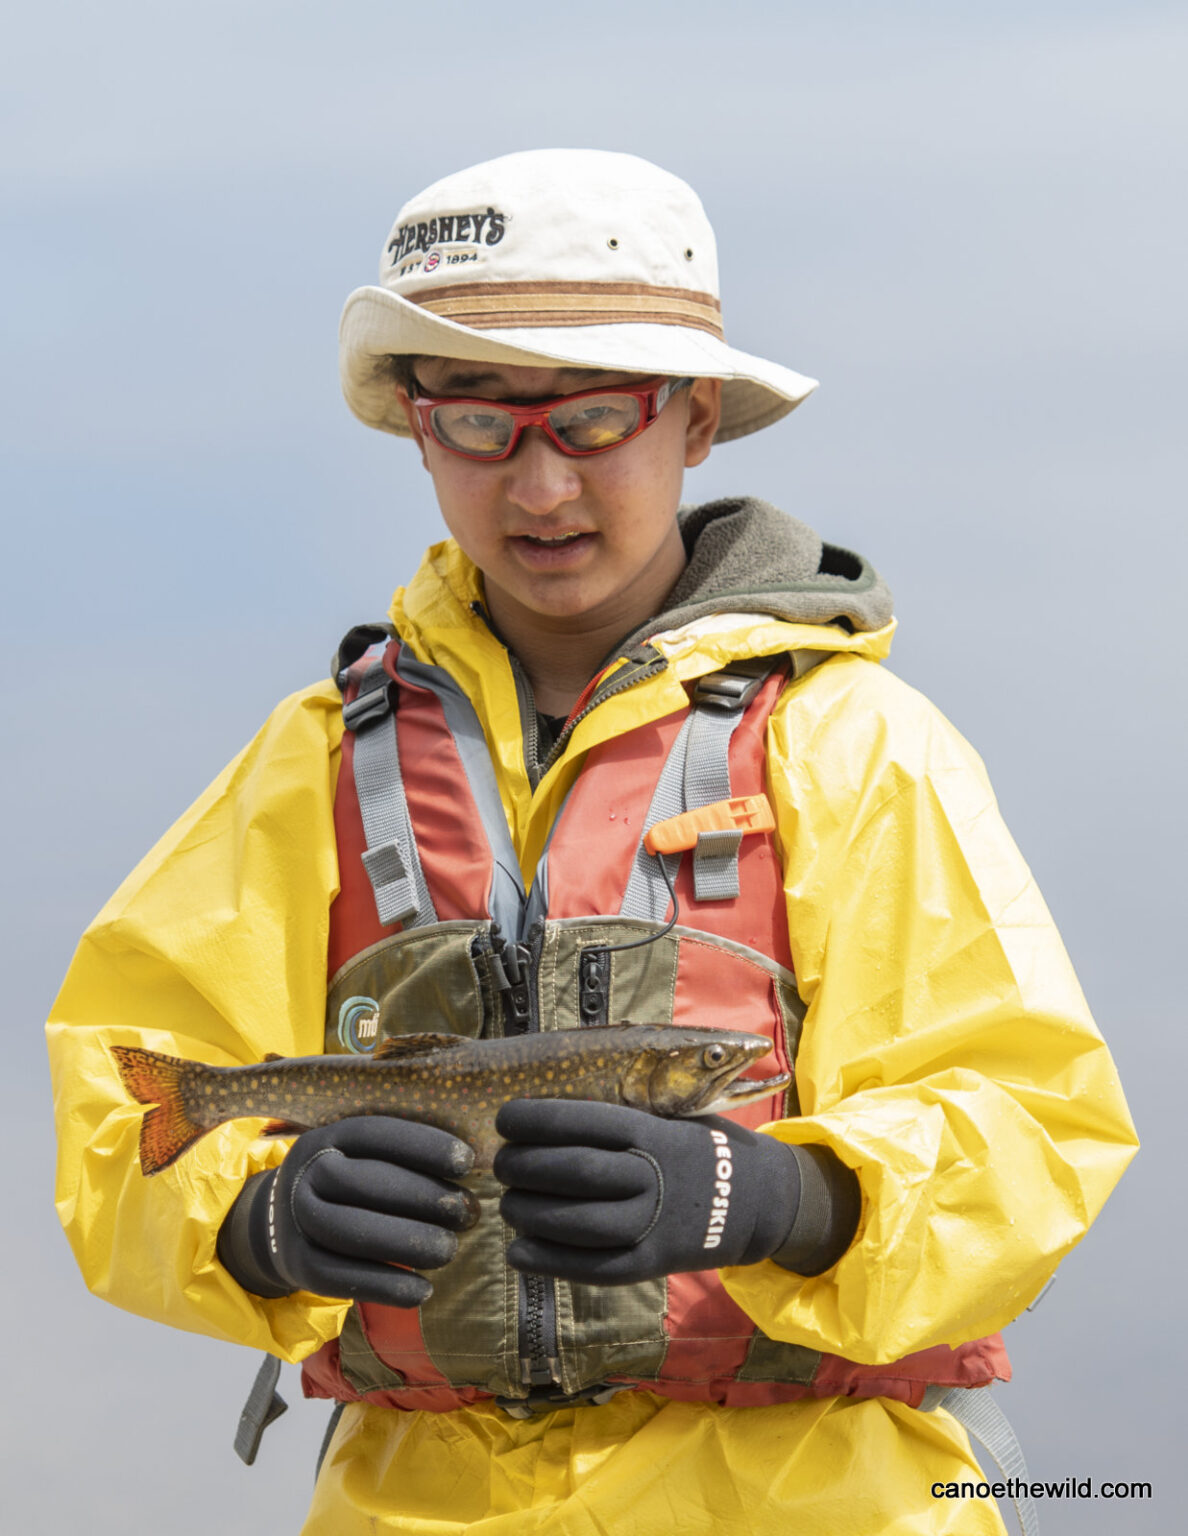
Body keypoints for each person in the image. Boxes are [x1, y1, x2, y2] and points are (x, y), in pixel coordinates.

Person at [47, 149, 1137, 1536]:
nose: (542, 490)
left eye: (593, 420)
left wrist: (778, 1195)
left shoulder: (860, 744)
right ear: (418, 432)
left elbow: (1039, 1129)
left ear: (691, 422)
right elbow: (120, 1107)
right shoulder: (308, 762)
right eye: (484, 427)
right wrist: (256, 1225)